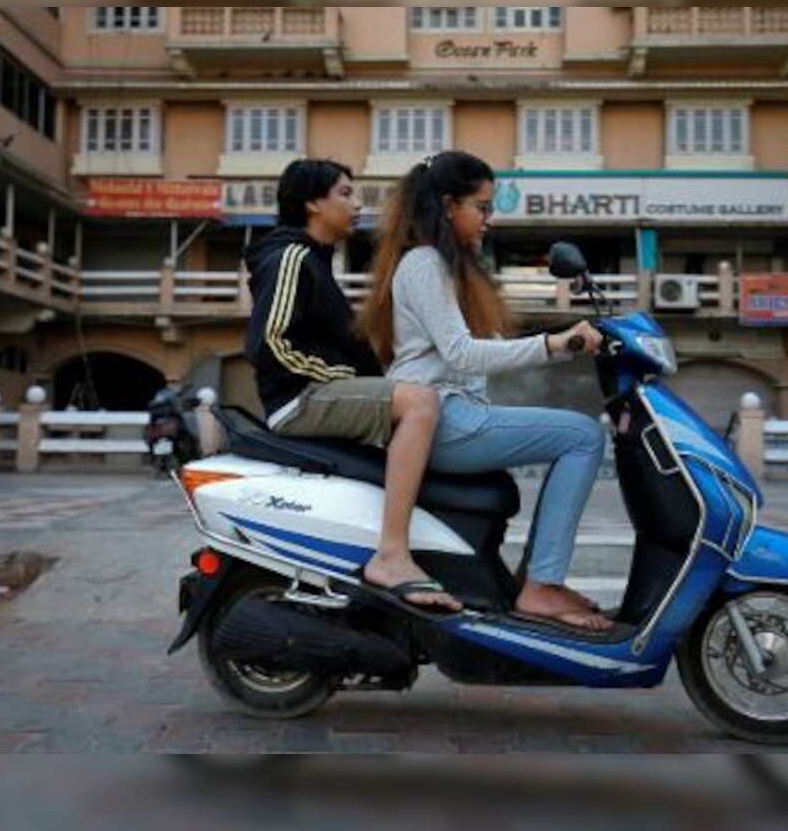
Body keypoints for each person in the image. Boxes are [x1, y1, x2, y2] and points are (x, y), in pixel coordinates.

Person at [357, 151, 613, 632]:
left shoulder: (444, 267)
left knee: (575, 434)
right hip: (443, 419)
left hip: (452, 413)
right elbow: (462, 354)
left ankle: (536, 580)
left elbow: (485, 350)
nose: (488, 220)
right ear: (448, 205)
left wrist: (564, 345)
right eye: (482, 207)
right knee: (583, 436)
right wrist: (555, 343)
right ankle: (542, 585)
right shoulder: (425, 263)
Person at [244, 159, 462, 612]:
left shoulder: (317, 260)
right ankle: (392, 555)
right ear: (312, 204)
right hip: (299, 399)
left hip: (318, 393)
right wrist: (350, 379)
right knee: (420, 403)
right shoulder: (291, 257)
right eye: (345, 193)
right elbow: (271, 343)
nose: (358, 204)